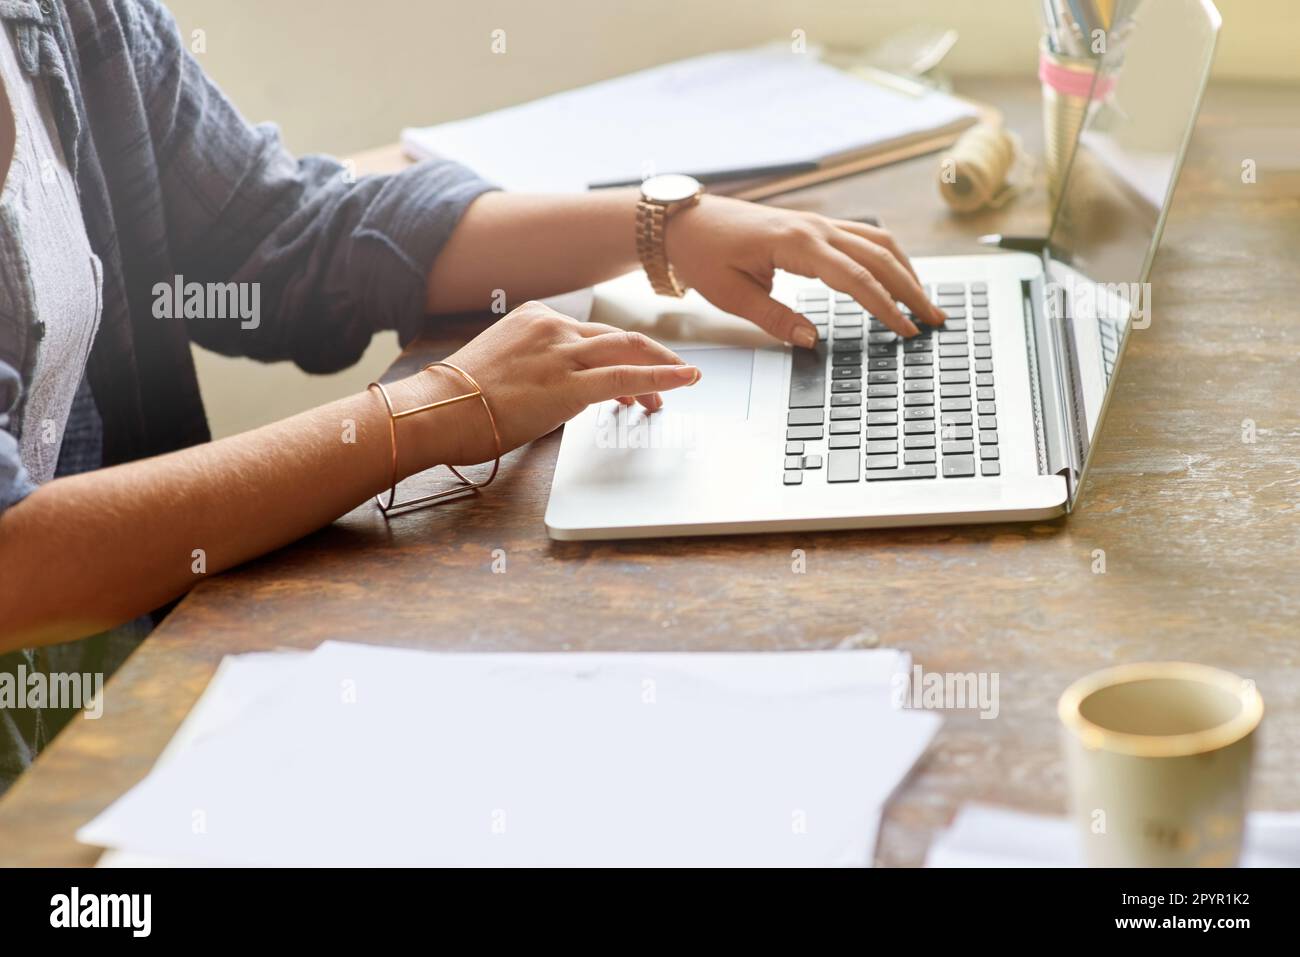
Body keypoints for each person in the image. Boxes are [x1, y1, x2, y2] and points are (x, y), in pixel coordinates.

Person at [0, 0, 943, 785]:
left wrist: (663, 225)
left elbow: (275, 232)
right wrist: (430, 410)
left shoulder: (69, 19)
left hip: (117, 695)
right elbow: (15, 563)